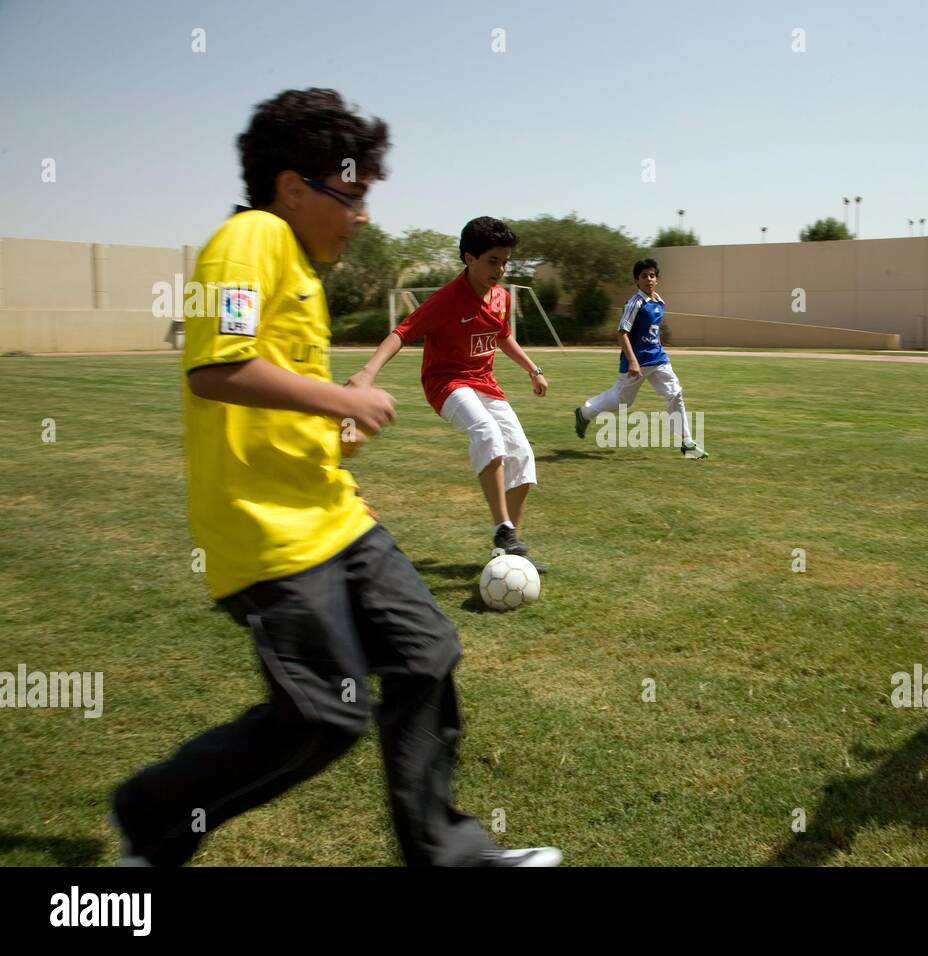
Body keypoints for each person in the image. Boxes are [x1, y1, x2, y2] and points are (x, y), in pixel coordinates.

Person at [111, 88, 560, 866]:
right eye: (350, 196)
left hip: (337, 516)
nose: (362, 216)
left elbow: (275, 393)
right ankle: (152, 813)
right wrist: (341, 396)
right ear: (293, 186)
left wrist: (336, 424)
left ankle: (449, 855)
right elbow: (215, 368)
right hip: (267, 533)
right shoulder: (245, 239)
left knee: (426, 653)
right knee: (322, 717)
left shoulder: (301, 275)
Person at [349, 217, 549, 568]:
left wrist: (533, 369)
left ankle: (509, 549)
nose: (500, 269)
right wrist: (368, 372)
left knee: (523, 456)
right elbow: (401, 333)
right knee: (487, 434)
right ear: (469, 259)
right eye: (492, 261)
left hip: (484, 384)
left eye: (505, 261)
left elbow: (502, 336)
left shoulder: (501, 297)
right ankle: (502, 527)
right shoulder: (446, 300)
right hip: (447, 384)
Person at [573, 258, 708, 459]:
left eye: (652, 275)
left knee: (675, 393)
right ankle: (584, 413)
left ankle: (687, 443)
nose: (649, 279)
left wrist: (658, 346)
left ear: (658, 279)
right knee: (622, 402)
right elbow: (622, 333)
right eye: (644, 276)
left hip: (658, 360)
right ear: (637, 280)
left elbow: (651, 332)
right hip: (637, 363)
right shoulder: (635, 303)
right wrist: (633, 361)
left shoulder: (659, 302)